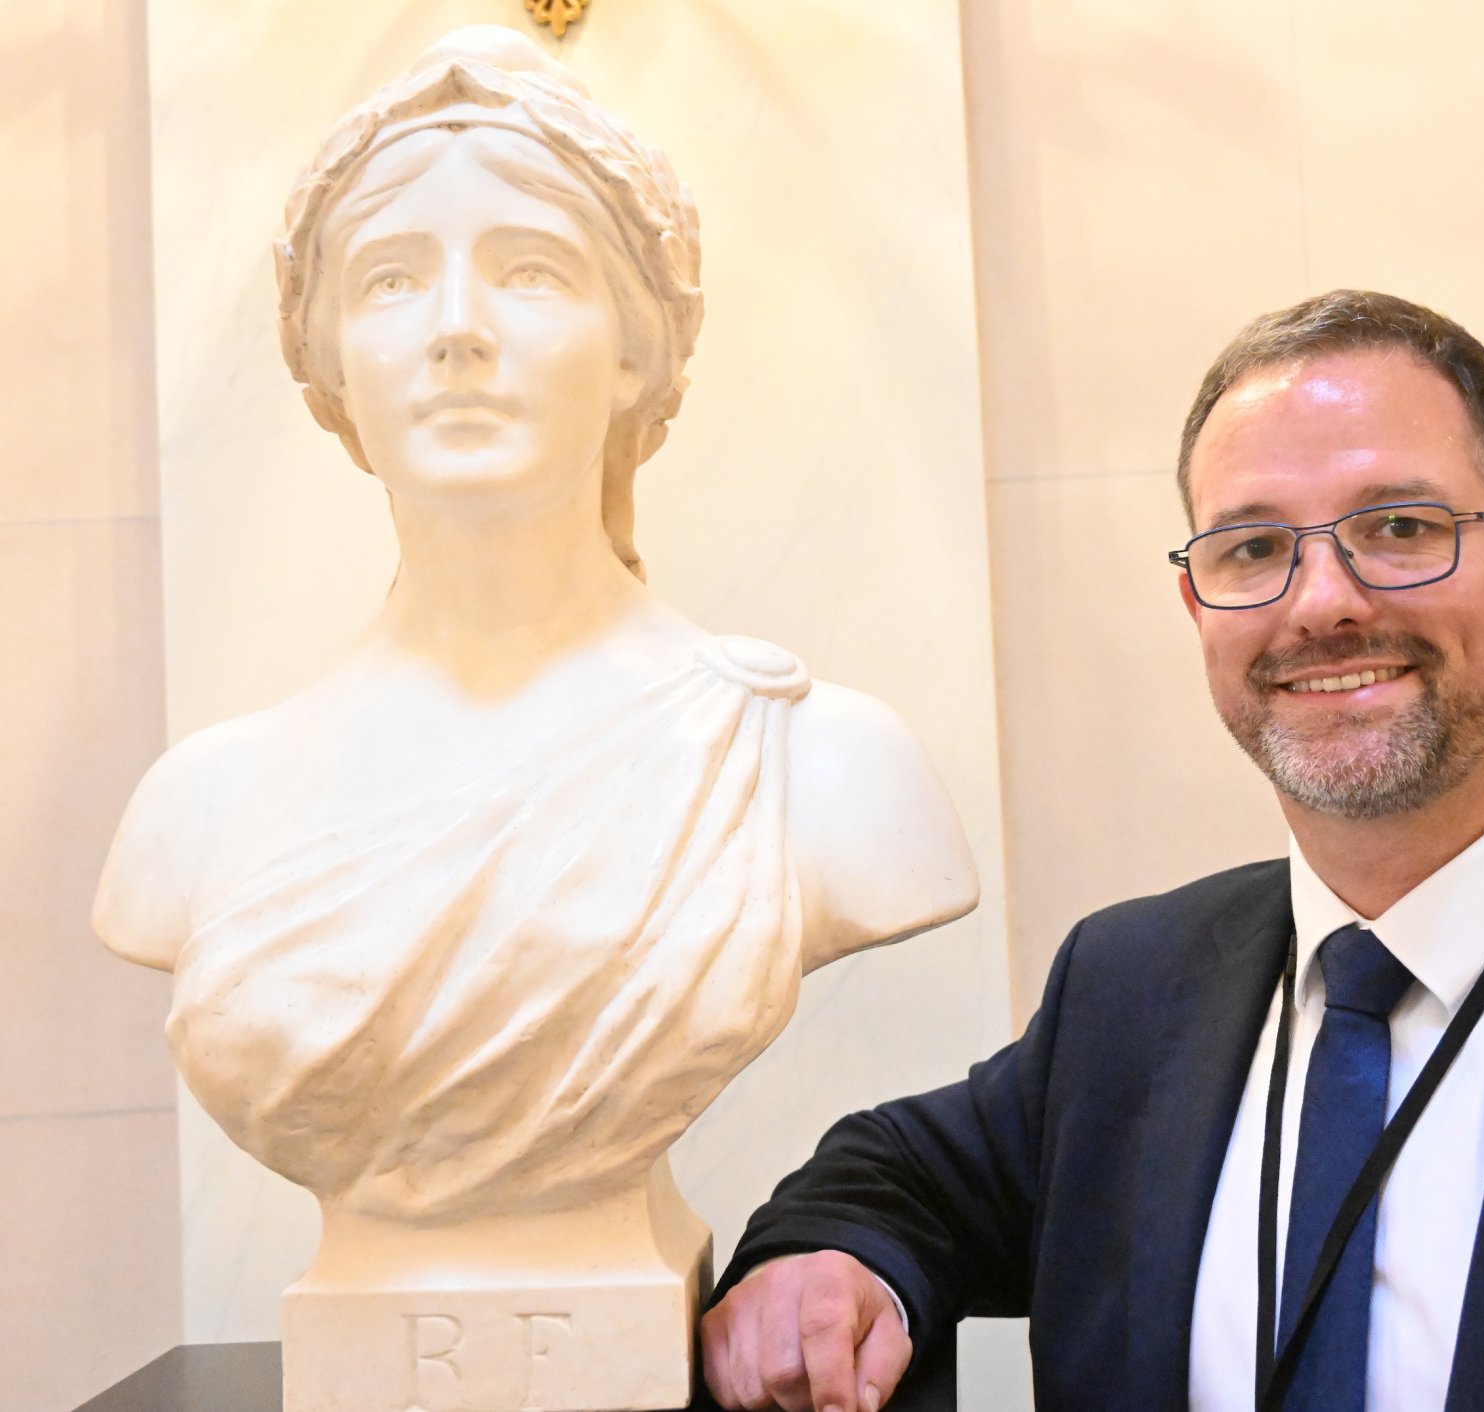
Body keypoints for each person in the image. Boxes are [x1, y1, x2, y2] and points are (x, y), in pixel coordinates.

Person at [698, 290, 1484, 1412]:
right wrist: (832, 1263)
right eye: (1254, 548)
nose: (1322, 603)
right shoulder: (1135, 990)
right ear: (1199, 605)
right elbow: (905, 1178)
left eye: (1398, 527)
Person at [93, 26, 975, 1265]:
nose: (456, 328)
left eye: (532, 272)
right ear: (329, 363)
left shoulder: (818, 767)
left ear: (633, 352)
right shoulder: (199, 809)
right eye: (391, 280)